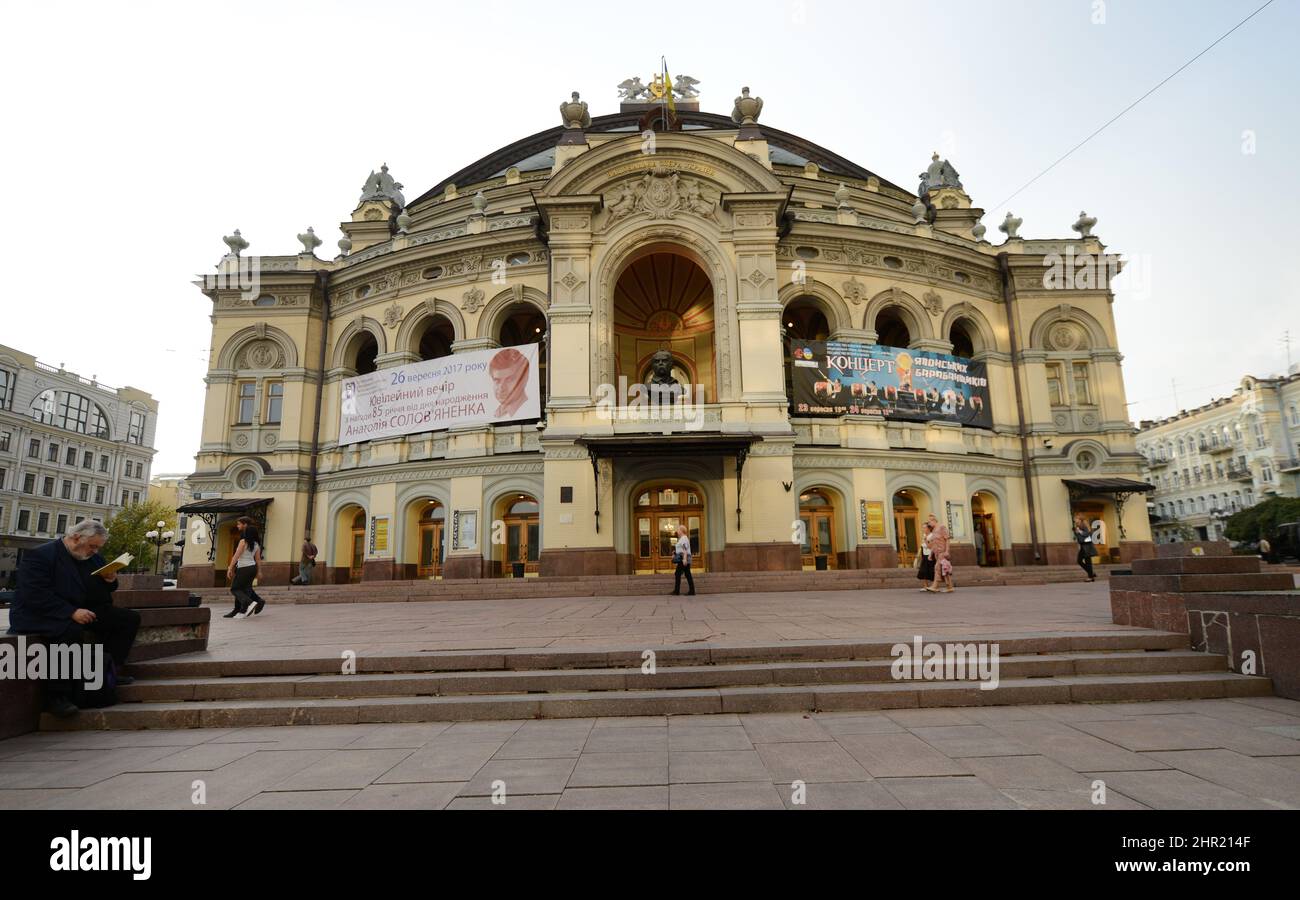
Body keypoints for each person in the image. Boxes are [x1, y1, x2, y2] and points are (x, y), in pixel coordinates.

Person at [7, 520, 141, 718]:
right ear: (77, 537)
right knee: (69, 630)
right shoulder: (41, 555)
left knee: (128, 619)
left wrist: (111, 580)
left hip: (80, 608)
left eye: (97, 547)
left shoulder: (92, 557)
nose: (94, 551)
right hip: (39, 613)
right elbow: (34, 594)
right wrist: (70, 612)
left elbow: (100, 587)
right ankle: (57, 697)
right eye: (92, 546)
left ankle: (104, 672)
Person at [224, 517, 265, 618]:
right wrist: (259, 571)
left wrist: (230, 568)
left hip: (243, 568)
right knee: (245, 589)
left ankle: (250, 603)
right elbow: (258, 559)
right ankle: (240, 610)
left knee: (234, 589)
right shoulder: (256, 544)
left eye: (239, 524)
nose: (237, 526)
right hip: (252, 568)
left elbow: (236, 556)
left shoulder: (243, 542)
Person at [488, 347, 531, 418]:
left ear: (524, 379)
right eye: (497, 380)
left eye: (509, 380)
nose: (501, 388)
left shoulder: (529, 409)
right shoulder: (495, 414)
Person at [925, 513, 954, 593]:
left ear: (933, 520)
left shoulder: (942, 527)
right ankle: (950, 587)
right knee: (944, 569)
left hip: (943, 552)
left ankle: (935, 586)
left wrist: (947, 551)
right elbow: (934, 544)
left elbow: (947, 539)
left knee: (937, 568)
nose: (929, 524)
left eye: (929, 522)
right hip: (937, 553)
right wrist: (931, 554)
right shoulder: (934, 530)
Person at [670, 523, 695, 596]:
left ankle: (677, 591)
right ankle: (691, 591)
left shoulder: (684, 538)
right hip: (683, 557)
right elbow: (681, 548)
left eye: (678, 530)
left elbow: (684, 548)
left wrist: (684, 559)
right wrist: (675, 552)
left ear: (681, 530)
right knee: (687, 574)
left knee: (678, 573)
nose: (677, 531)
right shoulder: (682, 539)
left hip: (683, 558)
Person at [1073, 513, 1097, 582]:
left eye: (1076, 518)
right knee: (1087, 561)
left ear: (1079, 519)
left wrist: (1079, 531)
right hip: (1085, 545)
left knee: (1080, 560)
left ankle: (1091, 575)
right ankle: (1091, 576)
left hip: (1086, 545)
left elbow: (1087, 533)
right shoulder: (1078, 525)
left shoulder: (1083, 525)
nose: (1075, 520)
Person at [916, 521, 935, 589]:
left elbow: (930, 546)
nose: (923, 529)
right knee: (923, 570)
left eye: (924, 527)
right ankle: (925, 586)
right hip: (924, 554)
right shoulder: (924, 535)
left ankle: (933, 586)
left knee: (931, 570)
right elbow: (922, 545)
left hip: (930, 554)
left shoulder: (932, 535)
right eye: (922, 528)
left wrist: (925, 540)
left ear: (929, 528)